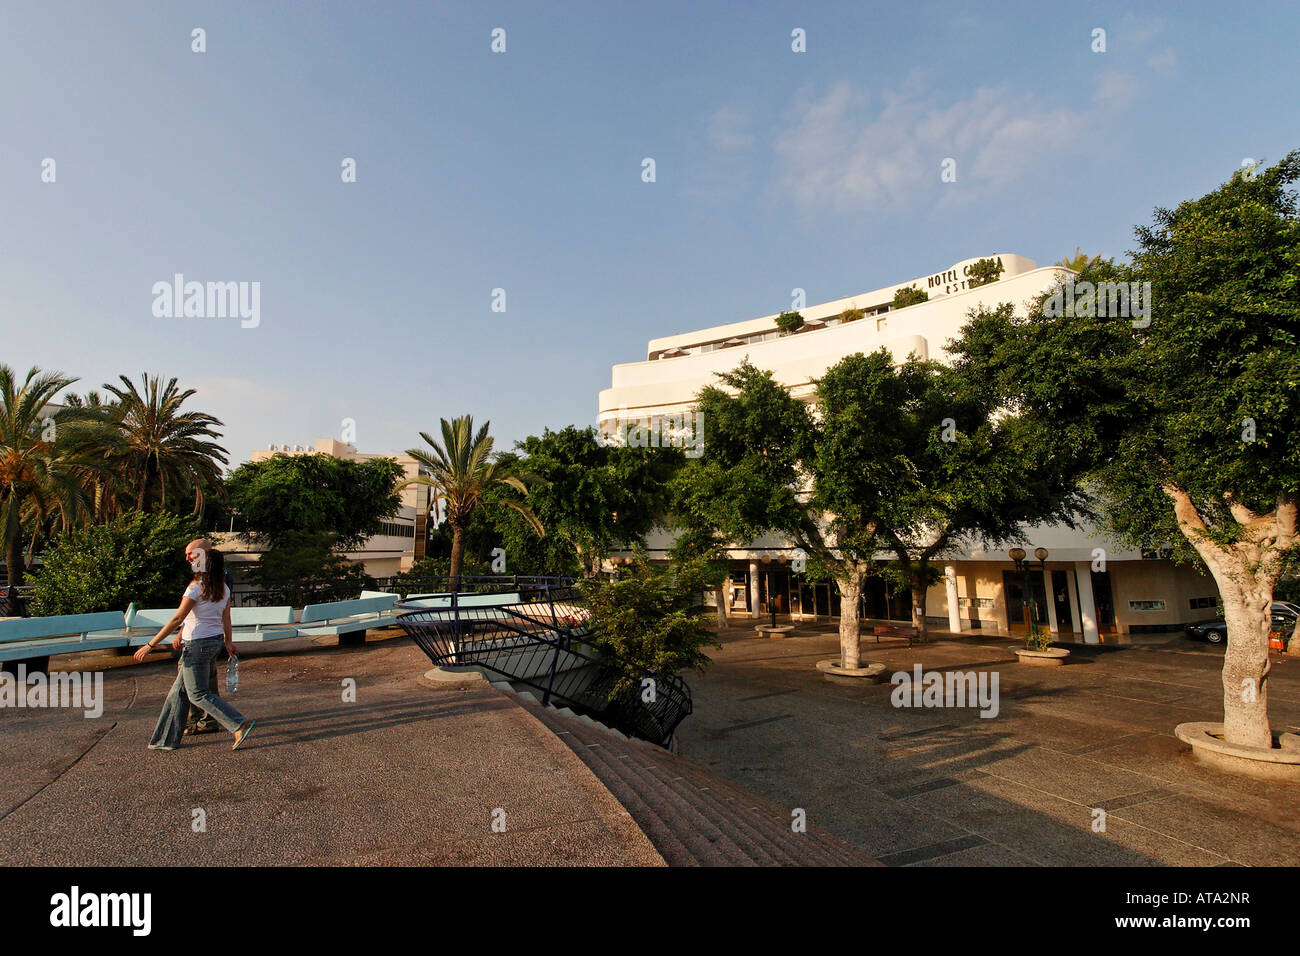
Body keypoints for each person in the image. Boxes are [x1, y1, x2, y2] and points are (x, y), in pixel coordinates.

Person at [133, 546, 256, 751]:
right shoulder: (223, 588)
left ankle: (238, 723)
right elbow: (225, 617)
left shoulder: (196, 587)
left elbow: (178, 618)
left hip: (197, 645)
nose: (191, 561)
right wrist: (227, 642)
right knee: (178, 692)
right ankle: (166, 739)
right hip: (212, 642)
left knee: (197, 693)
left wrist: (150, 644)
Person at [182, 537, 233, 736]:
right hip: (204, 638)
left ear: (204, 552)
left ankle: (215, 721)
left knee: (200, 687)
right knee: (198, 684)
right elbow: (194, 611)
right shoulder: (201, 576)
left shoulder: (215, 576)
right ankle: (198, 720)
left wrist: (228, 640)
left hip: (201, 640)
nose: (187, 558)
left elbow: (222, 612)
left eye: (191, 554)